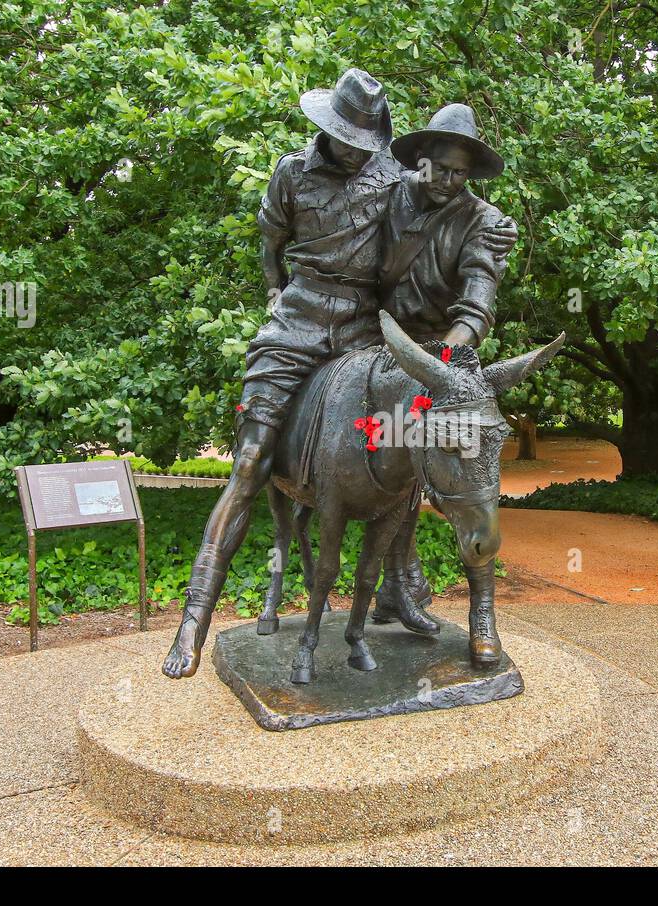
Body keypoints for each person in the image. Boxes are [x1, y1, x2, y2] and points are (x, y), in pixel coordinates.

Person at [163, 73, 515, 678]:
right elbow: (272, 238)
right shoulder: (318, 176)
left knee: (430, 449)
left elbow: (459, 259)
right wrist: (277, 293)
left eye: (364, 139)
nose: (355, 149)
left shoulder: (431, 199)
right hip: (318, 330)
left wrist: (450, 358)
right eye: (344, 136)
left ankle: (424, 595)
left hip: (384, 341)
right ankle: (195, 614)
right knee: (251, 461)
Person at [370, 103, 513, 633]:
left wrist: (443, 361)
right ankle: (397, 582)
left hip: (446, 355)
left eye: (460, 172)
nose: (448, 181)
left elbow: (477, 306)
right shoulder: (386, 196)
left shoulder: (485, 222)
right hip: (377, 346)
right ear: (419, 161)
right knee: (371, 469)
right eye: (439, 168)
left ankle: (482, 615)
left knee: (472, 472)